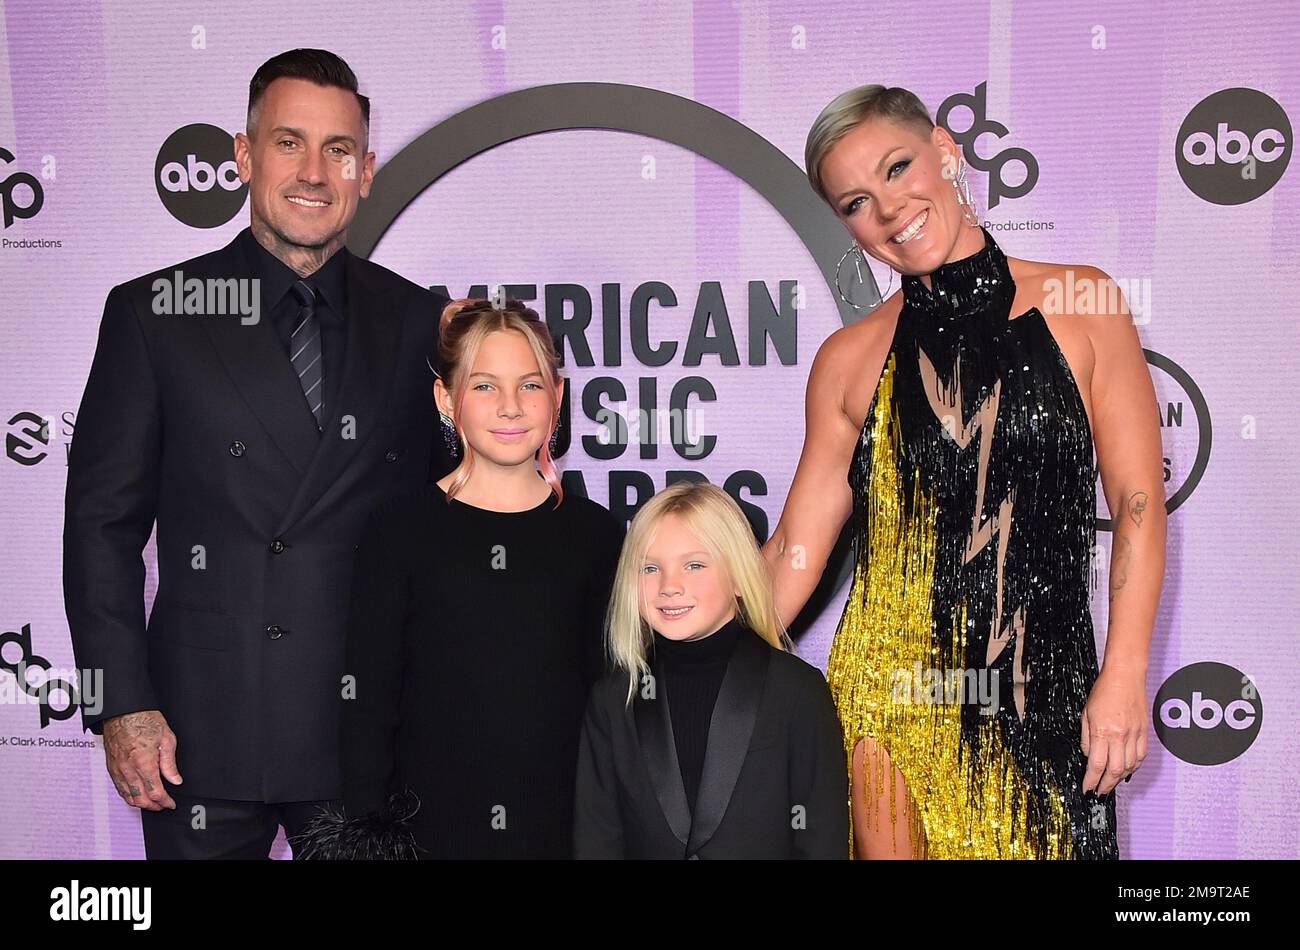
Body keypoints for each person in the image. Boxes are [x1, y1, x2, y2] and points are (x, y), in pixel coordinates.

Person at [62, 48, 454, 858]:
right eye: (288, 143)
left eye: (338, 151)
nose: (314, 172)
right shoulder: (154, 312)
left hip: (365, 734)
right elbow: (101, 526)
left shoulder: (420, 320)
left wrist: (498, 365)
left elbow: (476, 490)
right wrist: (118, 704)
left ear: (366, 170)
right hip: (196, 736)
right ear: (243, 157)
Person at [763, 85, 1165, 859]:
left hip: (1047, 697)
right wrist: (686, 646)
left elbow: (1139, 505)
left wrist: (1125, 673)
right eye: (855, 200)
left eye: (898, 167)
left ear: (946, 149)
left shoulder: (1086, 303)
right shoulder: (849, 361)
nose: (887, 208)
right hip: (894, 699)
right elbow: (793, 552)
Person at [292, 298, 625, 859]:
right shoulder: (399, 530)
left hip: (563, 828)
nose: (511, 407)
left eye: (531, 385)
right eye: (485, 386)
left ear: (559, 396)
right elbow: (367, 700)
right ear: (446, 399)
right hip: (426, 833)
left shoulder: (595, 535)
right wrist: (370, 834)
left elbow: (612, 706)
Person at [575, 481, 848, 859]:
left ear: (738, 576)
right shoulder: (612, 700)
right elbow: (597, 841)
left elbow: (821, 841)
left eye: (694, 565)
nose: (670, 586)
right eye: (650, 567)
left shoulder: (796, 690)